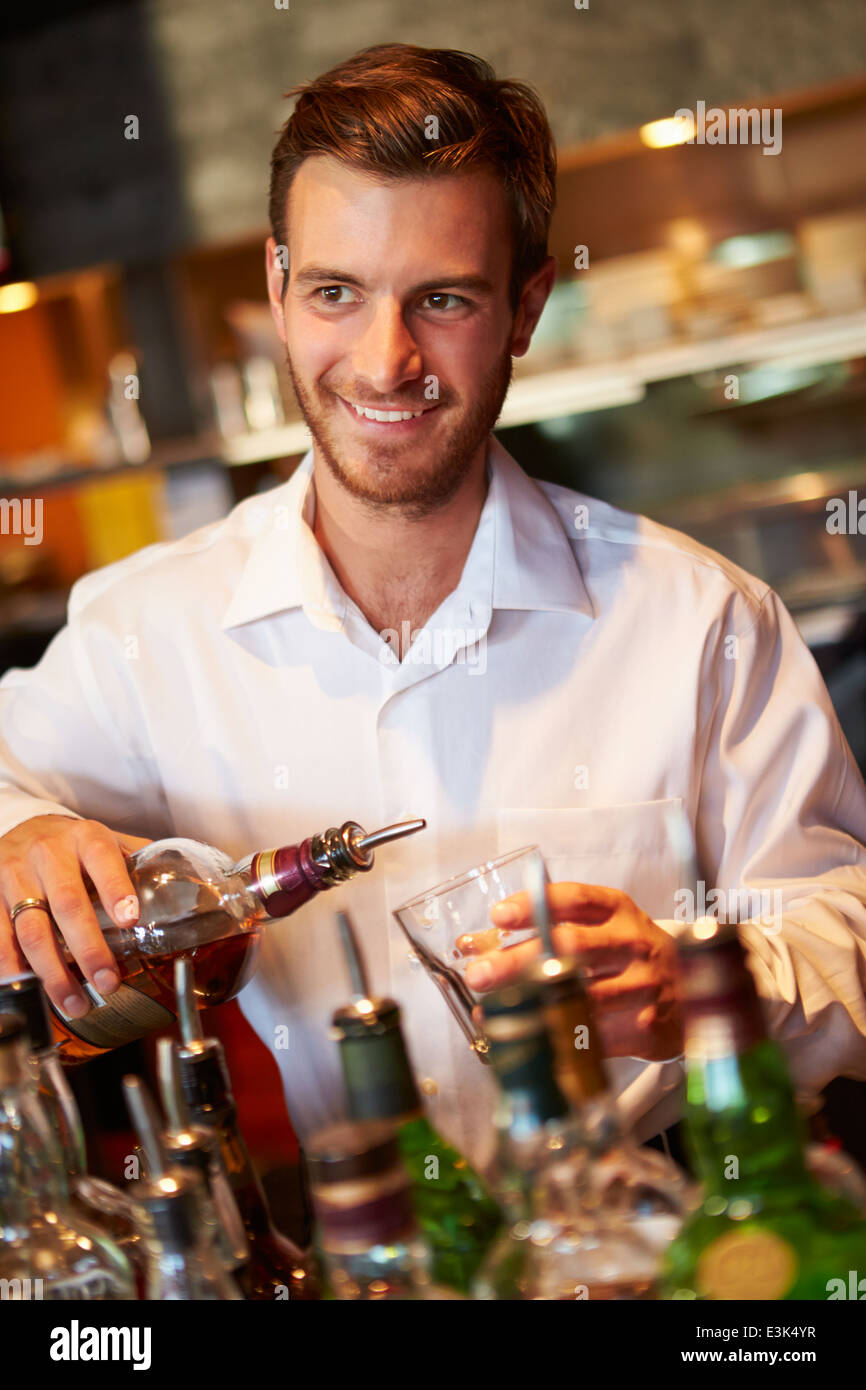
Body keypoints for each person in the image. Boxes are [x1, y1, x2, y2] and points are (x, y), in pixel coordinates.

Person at [0, 44, 864, 1172]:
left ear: (525, 308)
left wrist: (701, 986)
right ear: (275, 287)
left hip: (662, 1229)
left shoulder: (701, 619)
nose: (382, 358)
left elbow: (840, 926)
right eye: (334, 292)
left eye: (442, 298)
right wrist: (25, 837)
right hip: (338, 1240)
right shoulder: (138, 631)